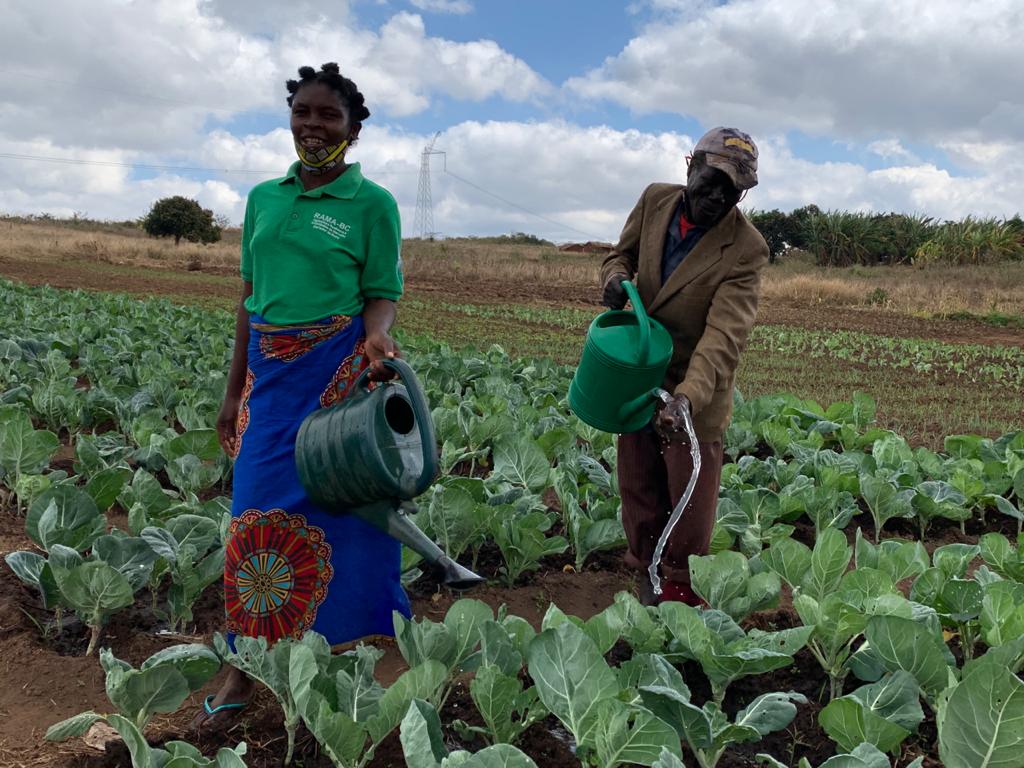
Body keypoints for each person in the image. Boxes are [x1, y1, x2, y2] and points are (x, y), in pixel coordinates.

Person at [193, 63, 409, 731]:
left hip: (337, 377)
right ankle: (245, 663)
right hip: (270, 381)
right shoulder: (265, 198)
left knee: (344, 510)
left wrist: (377, 338)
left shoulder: (373, 205)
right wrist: (234, 394)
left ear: (353, 129)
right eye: (304, 114)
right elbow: (249, 301)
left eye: (329, 117)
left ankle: (346, 646)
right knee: (254, 513)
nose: (314, 127)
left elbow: (382, 295)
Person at [600, 127, 769, 607]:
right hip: (639, 367)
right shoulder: (655, 201)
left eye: (732, 190)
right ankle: (645, 569)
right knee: (638, 482)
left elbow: (724, 336)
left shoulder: (746, 248)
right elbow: (622, 254)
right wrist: (614, 278)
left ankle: (679, 584)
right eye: (711, 180)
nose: (717, 197)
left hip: (696, 383)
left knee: (689, 495)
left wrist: (686, 398)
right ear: (690, 165)